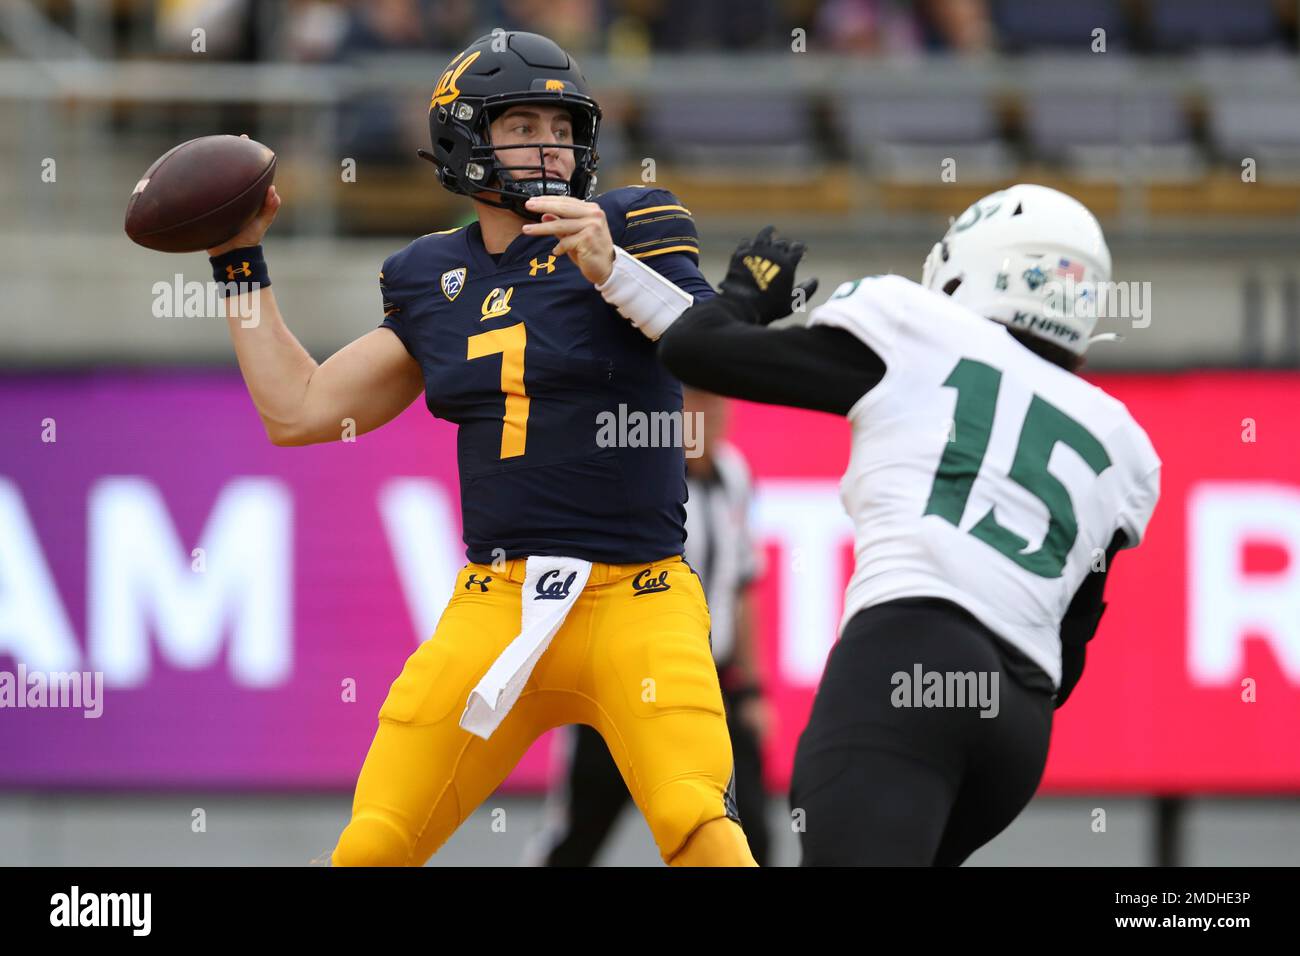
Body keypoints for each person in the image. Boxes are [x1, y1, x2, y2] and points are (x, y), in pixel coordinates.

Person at [205, 30, 755, 866]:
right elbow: (302, 409)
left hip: (640, 594)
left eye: (562, 127)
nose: (551, 145)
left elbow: (714, 349)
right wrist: (237, 260)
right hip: (497, 599)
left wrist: (615, 273)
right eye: (524, 124)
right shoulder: (430, 276)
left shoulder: (632, 222)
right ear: (467, 138)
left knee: (697, 823)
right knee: (374, 843)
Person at [656, 184, 1161, 865]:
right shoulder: (1120, 440)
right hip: (1017, 728)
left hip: (909, 660)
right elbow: (1069, 657)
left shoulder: (919, 328)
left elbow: (696, 351)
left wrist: (749, 292)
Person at [526, 387, 773, 866]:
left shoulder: (735, 476)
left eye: (718, 403)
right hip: (625, 679)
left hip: (706, 683)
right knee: (579, 831)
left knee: (751, 832)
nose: (711, 415)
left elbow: (742, 585)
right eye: (697, 403)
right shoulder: (637, 477)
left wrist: (753, 690)